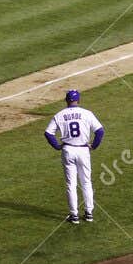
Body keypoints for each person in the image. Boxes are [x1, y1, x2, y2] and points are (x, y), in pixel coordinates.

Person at [43, 89, 104, 224]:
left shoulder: (60, 115)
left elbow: (48, 133)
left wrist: (57, 146)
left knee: (71, 184)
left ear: (66, 100)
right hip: (83, 150)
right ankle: (89, 213)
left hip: (68, 150)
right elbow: (100, 131)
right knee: (86, 182)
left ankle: (74, 215)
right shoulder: (87, 113)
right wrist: (94, 146)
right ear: (79, 100)